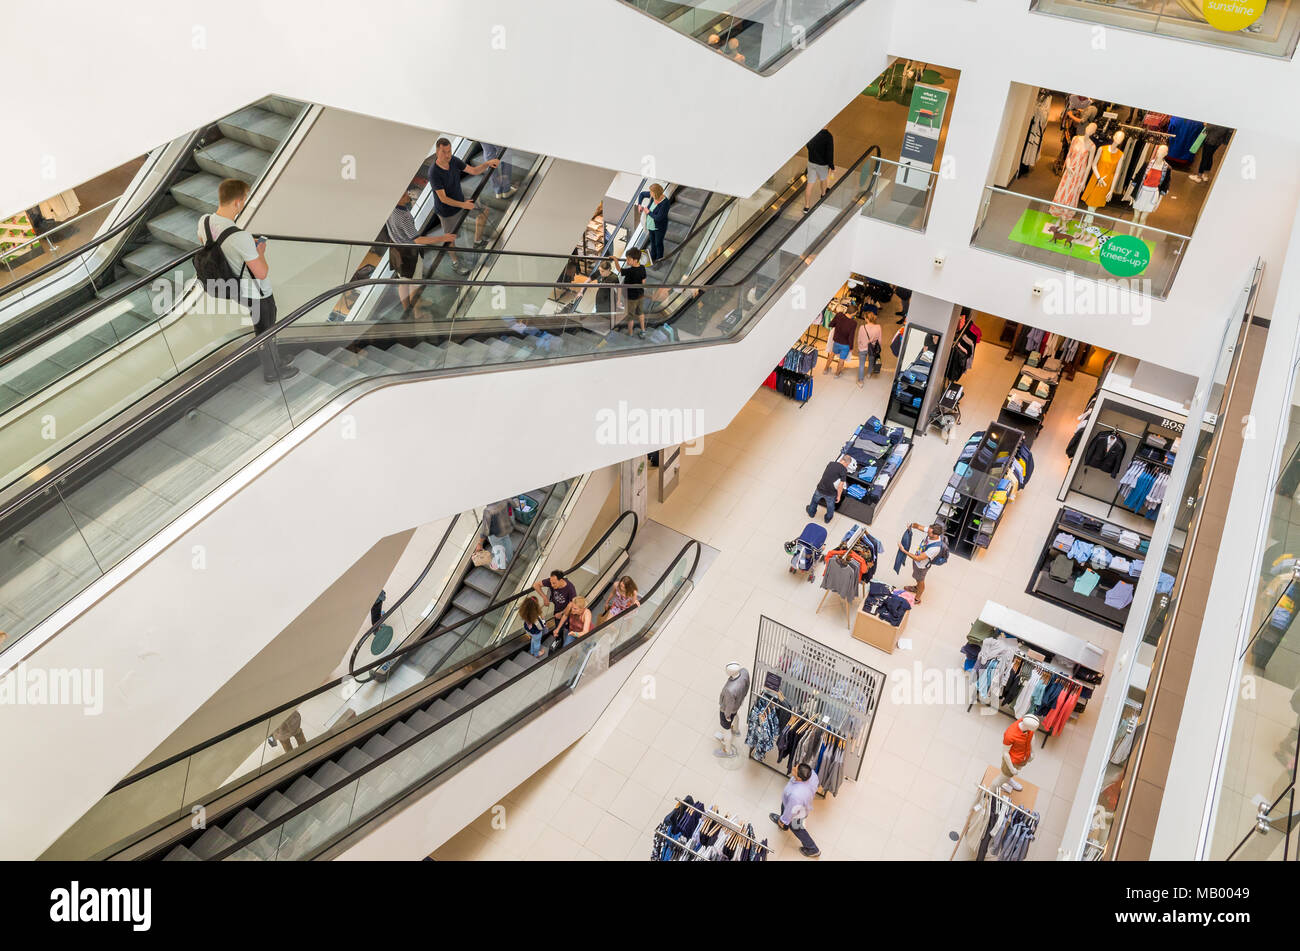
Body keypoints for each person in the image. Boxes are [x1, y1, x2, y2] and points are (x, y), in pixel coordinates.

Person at [198, 178, 298, 383]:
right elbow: (261, 272)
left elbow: (207, 244)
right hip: (256, 292)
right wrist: (259, 251)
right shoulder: (240, 237)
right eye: (244, 199)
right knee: (265, 328)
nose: (244, 203)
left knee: (264, 325)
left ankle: (276, 359)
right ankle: (272, 371)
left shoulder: (205, 221)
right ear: (237, 202)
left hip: (234, 288)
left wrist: (242, 250)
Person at [428, 137, 501, 273]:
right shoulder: (434, 173)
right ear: (437, 151)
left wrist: (488, 163)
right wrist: (463, 205)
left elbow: (473, 171)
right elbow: (443, 198)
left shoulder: (454, 160)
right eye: (444, 152)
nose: (448, 155)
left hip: (461, 200)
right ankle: (456, 263)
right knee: (450, 238)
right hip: (447, 210)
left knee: (484, 211)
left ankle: (477, 242)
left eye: (449, 151)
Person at [385, 186, 458, 314]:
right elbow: (417, 240)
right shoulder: (403, 216)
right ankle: (416, 311)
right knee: (414, 283)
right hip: (409, 254)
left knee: (403, 281)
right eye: (403, 196)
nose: (408, 196)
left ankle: (409, 308)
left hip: (396, 249)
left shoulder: (389, 209)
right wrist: (443, 237)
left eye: (405, 193)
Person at [770, 763, 821, 857]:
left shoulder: (796, 796)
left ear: (799, 778)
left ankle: (813, 849)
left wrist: (784, 820)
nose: (793, 768)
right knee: (784, 809)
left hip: (796, 812)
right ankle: (784, 826)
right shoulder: (812, 774)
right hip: (799, 805)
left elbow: (790, 811)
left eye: (795, 770)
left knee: (796, 827)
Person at [898, 521, 947, 604]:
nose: (927, 532)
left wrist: (904, 551)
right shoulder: (932, 531)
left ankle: (917, 599)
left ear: (935, 535)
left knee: (920, 581)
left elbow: (918, 558)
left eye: (929, 532)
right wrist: (912, 525)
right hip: (918, 563)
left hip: (922, 566)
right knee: (918, 578)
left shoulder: (934, 549)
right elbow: (918, 526)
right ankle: (916, 588)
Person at [807, 454, 850, 524]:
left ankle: (811, 513)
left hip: (820, 488)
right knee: (830, 507)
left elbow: (828, 475)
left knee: (814, 501)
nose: (847, 466)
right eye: (847, 465)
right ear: (846, 462)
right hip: (831, 493)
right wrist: (838, 496)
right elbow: (840, 486)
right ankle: (827, 519)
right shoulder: (844, 470)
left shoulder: (831, 463)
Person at [635, 184, 671, 265]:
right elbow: (642, 194)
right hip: (650, 225)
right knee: (652, 242)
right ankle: (652, 257)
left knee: (658, 243)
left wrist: (648, 212)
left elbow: (659, 218)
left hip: (659, 227)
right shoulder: (653, 196)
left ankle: (659, 261)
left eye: (651, 192)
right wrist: (639, 204)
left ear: (656, 193)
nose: (650, 194)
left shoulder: (665, 203)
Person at [804, 128, 834, 212]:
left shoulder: (812, 131)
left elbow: (808, 145)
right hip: (822, 164)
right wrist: (832, 166)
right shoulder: (828, 136)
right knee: (823, 180)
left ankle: (806, 207)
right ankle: (823, 194)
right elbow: (830, 153)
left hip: (811, 162)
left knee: (809, 184)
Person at [824, 303, 858, 377]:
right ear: (854, 313)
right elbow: (851, 336)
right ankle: (837, 374)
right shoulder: (853, 323)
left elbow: (831, 324)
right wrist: (851, 347)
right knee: (841, 360)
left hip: (836, 341)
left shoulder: (839, 315)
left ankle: (825, 369)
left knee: (832, 354)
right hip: (845, 345)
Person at [622, 247, 647, 337]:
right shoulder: (642, 268)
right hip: (640, 295)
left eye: (628, 259)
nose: (627, 261)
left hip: (631, 298)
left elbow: (619, 270)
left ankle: (630, 333)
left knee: (630, 316)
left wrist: (615, 260)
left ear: (635, 260)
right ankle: (643, 330)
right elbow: (644, 281)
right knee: (640, 313)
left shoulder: (629, 271)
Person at [482, 499, 515, 566]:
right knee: (507, 542)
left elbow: (485, 529)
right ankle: (510, 559)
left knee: (498, 549)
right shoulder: (505, 500)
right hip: (505, 528)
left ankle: (502, 564)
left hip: (495, 534)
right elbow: (511, 512)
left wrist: (480, 542)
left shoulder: (488, 510)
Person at [856, 308, 882, 387]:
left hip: (863, 348)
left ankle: (860, 381)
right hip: (872, 349)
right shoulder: (878, 327)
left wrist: (859, 347)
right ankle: (869, 374)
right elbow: (880, 340)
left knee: (861, 365)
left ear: (867, 319)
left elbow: (859, 339)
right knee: (871, 361)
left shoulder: (862, 327)